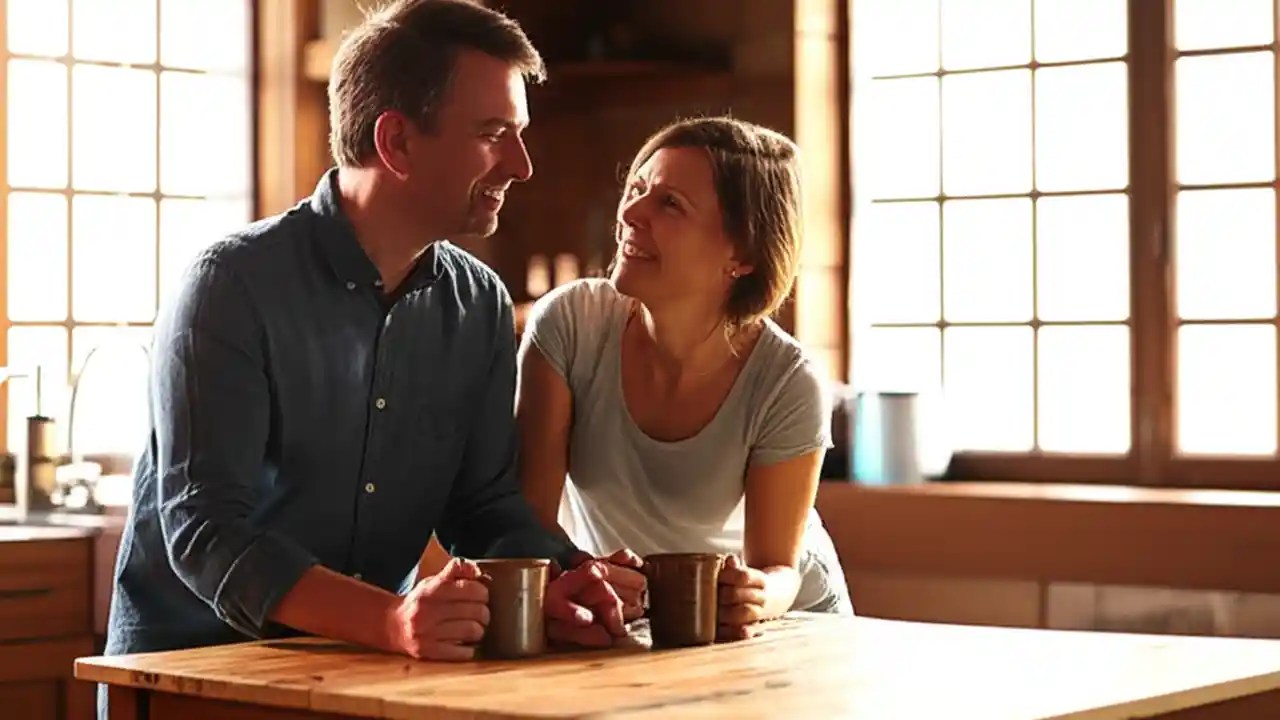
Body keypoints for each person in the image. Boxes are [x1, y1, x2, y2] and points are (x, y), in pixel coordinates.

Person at [102, 0, 638, 685]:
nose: (522, 165)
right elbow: (207, 534)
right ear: (397, 143)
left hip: (367, 674)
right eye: (493, 132)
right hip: (190, 677)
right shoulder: (230, 287)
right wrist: (391, 620)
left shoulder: (477, 304)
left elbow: (483, 507)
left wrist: (566, 578)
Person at [516, 117, 855, 640]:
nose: (630, 213)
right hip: (633, 622)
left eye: (669, 203)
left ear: (741, 253)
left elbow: (781, 570)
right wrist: (580, 571)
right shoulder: (569, 326)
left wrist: (757, 595)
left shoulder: (787, 381)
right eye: (637, 189)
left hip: (783, 625)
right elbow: (528, 525)